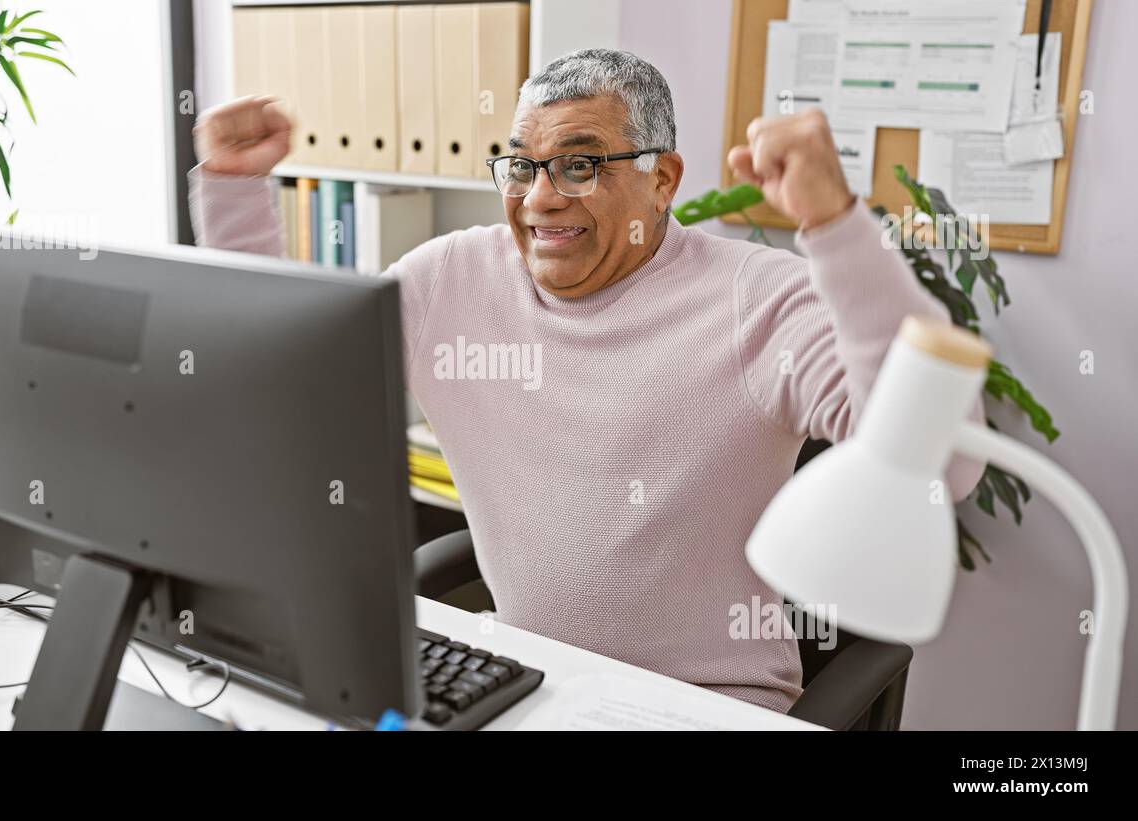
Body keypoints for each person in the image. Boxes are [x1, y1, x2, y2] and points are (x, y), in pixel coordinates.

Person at [188, 49, 984, 713]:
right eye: (522, 166)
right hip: (528, 687)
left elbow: (943, 462)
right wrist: (230, 188)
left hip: (708, 703)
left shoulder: (759, 298)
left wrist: (837, 227)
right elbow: (287, 392)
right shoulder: (448, 280)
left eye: (578, 165)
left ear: (662, 180)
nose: (539, 200)